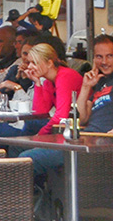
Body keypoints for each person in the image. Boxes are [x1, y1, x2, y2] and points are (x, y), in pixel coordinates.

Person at [18, 35, 113, 189]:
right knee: (24, 153)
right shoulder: (100, 82)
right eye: (99, 57)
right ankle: (42, 206)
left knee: (26, 158)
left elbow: (60, 115)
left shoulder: (65, 76)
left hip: (99, 147)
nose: (104, 62)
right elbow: (81, 118)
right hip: (83, 138)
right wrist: (86, 86)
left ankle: (21, 207)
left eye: (110, 56)